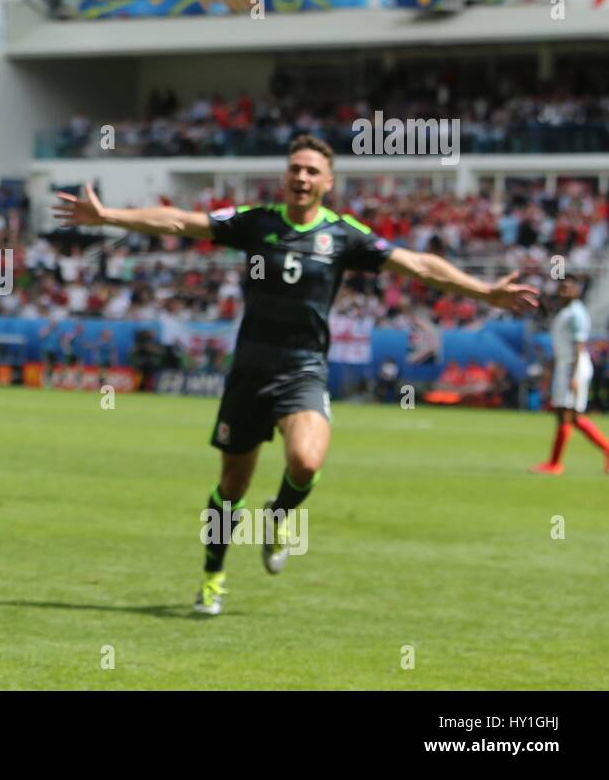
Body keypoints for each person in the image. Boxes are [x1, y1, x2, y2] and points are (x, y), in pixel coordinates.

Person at [54, 135, 538, 615]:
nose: (302, 177)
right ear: (285, 177)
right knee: (231, 487)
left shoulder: (344, 234)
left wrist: (482, 291)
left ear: (327, 182)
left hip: (303, 367)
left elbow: (417, 265)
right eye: (295, 169)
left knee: (305, 462)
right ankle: (212, 578)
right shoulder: (255, 222)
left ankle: (279, 516)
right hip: (249, 371)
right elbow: (181, 221)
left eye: (311, 171)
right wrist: (108, 216)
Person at [530, 277, 609, 474]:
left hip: (573, 367)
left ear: (577, 291)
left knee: (566, 415)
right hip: (565, 366)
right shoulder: (566, 312)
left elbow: (578, 345)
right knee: (571, 417)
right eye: (561, 288)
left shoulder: (576, 313)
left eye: (568, 289)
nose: (563, 292)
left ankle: (555, 463)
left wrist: (573, 375)